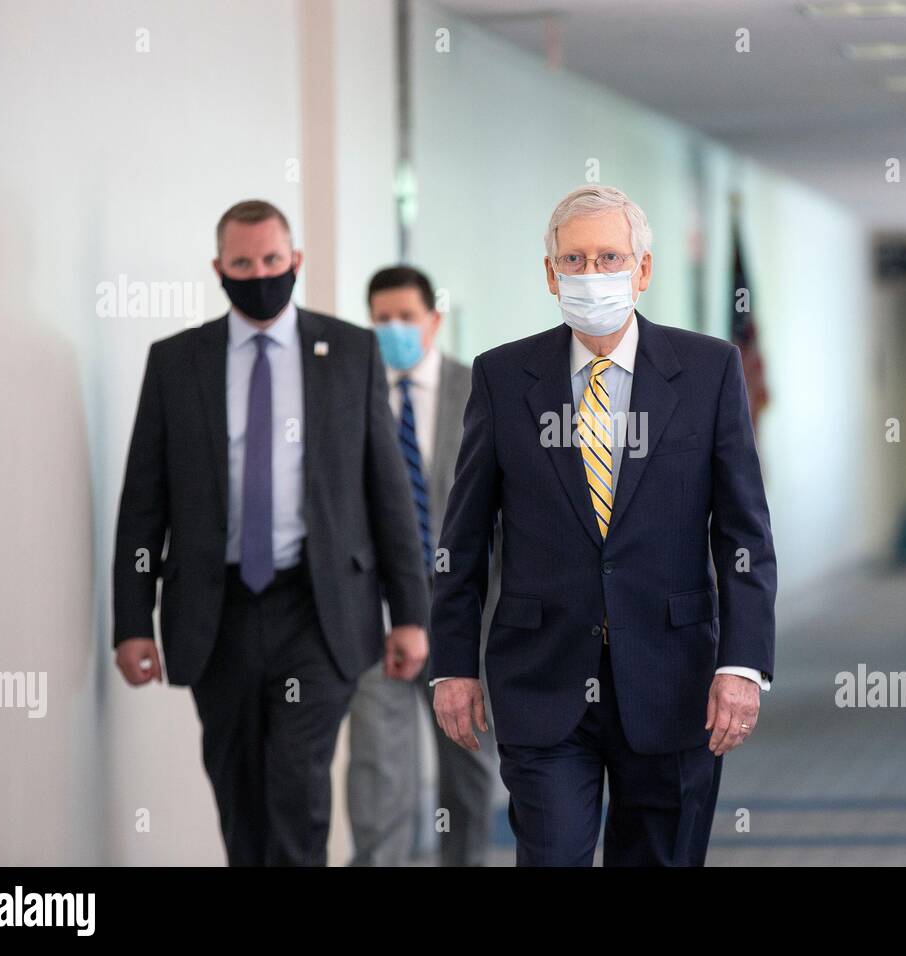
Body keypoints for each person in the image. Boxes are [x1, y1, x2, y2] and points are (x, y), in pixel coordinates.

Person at [429, 185, 777, 866]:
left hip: (675, 680)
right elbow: (464, 539)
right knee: (553, 853)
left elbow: (744, 534)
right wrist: (452, 665)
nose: (592, 275)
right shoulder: (503, 377)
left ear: (642, 270)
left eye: (610, 257)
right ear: (550, 271)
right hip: (542, 679)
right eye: (575, 259)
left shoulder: (708, 372)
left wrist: (742, 664)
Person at [112, 200, 429, 866]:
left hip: (316, 609)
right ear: (219, 270)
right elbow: (143, 504)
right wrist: (132, 621)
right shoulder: (177, 362)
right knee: (239, 791)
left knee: (297, 785)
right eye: (244, 264)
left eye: (272, 260)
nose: (260, 274)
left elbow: (388, 494)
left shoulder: (349, 351)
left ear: (297, 261)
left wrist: (410, 615)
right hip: (215, 610)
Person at [346, 265, 499, 867]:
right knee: (378, 779)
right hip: (377, 620)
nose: (394, 330)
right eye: (381, 320)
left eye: (405, 317)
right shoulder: (352, 397)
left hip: (466, 617)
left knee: (467, 777)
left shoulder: (479, 391)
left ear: (433, 320)